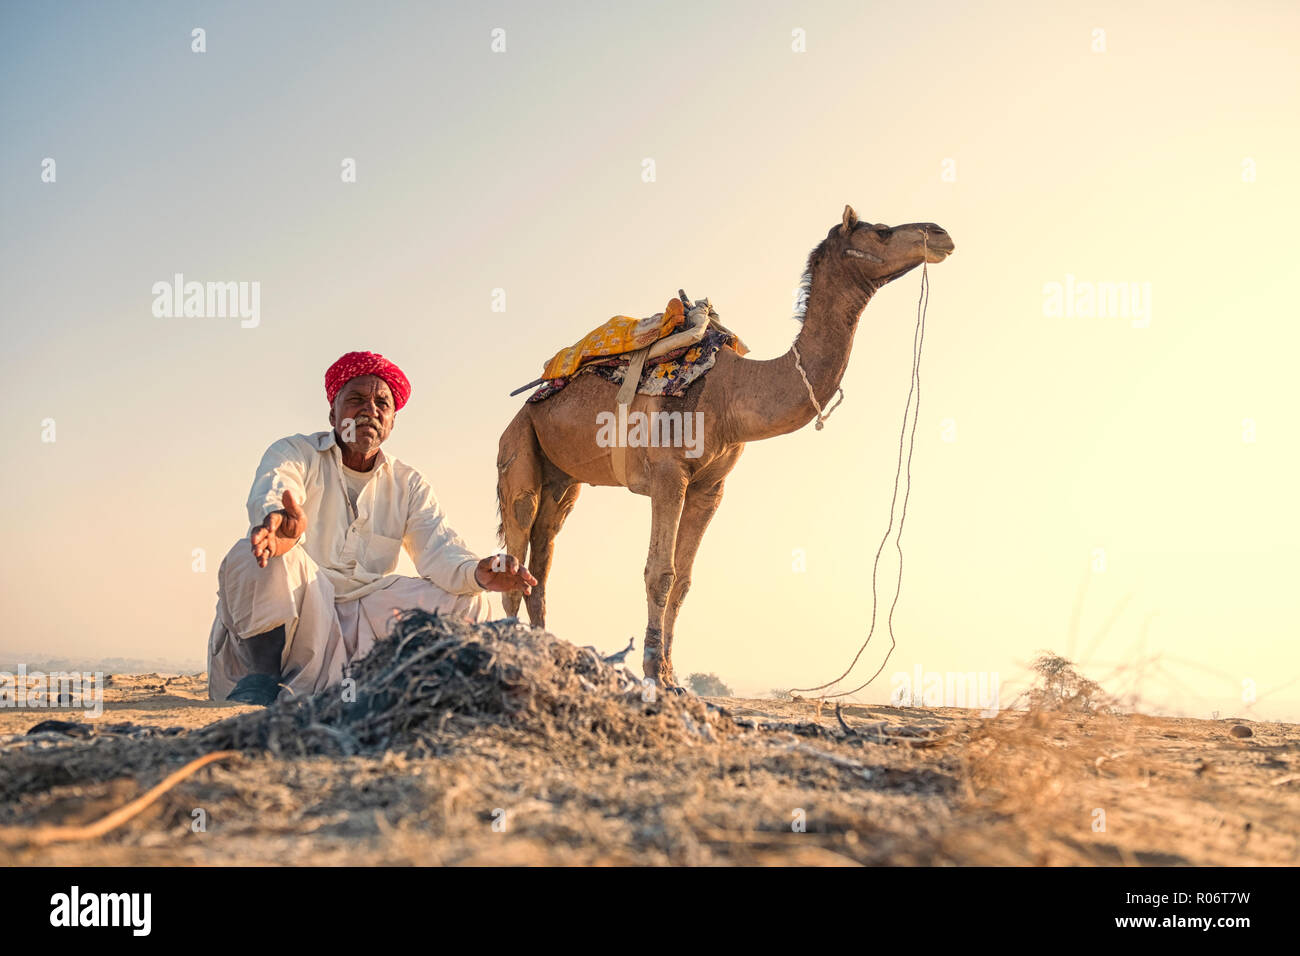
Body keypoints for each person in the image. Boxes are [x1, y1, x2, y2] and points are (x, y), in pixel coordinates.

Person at [206, 350, 536, 705]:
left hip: (365, 626)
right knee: (256, 553)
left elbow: (439, 548)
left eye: (382, 403)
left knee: (468, 601)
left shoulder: (408, 483)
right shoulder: (296, 451)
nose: (370, 410)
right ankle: (263, 679)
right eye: (357, 400)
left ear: (392, 423)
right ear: (333, 412)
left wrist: (477, 573)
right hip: (302, 615)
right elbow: (277, 482)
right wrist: (276, 518)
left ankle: (431, 689)